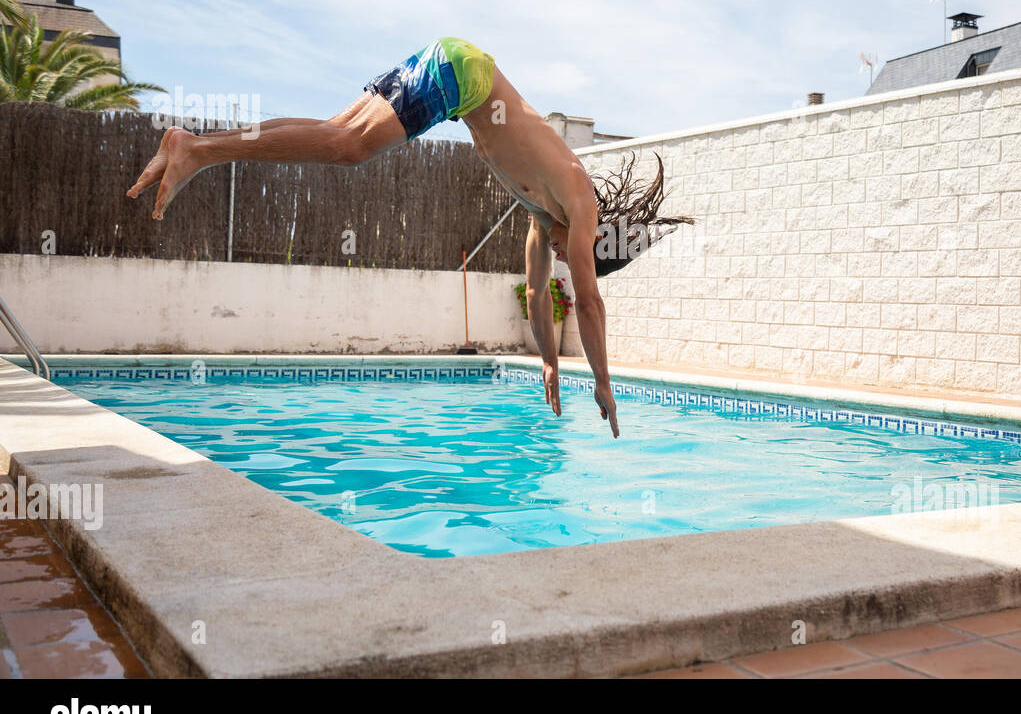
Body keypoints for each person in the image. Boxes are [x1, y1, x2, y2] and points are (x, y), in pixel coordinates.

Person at [127, 38, 692, 437]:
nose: (567, 259)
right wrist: (603, 382)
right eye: (579, 255)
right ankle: (198, 153)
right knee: (348, 149)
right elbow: (588, 302)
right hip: (463, 77)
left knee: (333, 134)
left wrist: (548, 362)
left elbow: (539, 293)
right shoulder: (578, 198)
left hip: (457, 65)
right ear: (595, 241)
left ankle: (195, 142)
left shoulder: (542, 217)